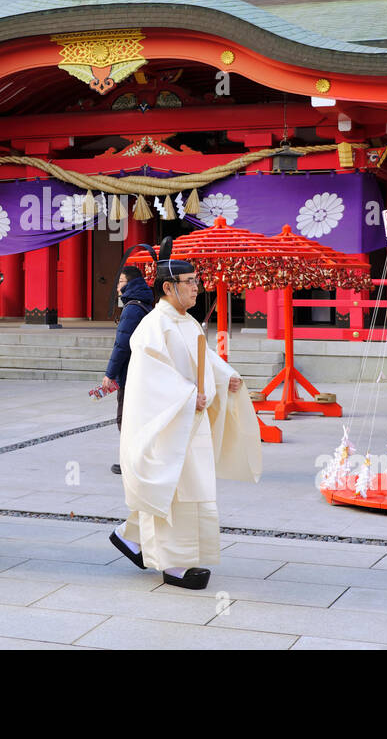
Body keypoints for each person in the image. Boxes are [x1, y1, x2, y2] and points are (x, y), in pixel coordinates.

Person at [109, 241, 262, 590]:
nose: (197, 286)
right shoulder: (153, 325)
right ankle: (174, 564)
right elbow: (150, 378)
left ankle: (130, 537)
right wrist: (188, 395)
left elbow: (204, 359)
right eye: (190, 280)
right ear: (168, 287)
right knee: (173, 489)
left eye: (196, 279)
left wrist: (225, 377)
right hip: (171, 421)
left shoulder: (187, 322)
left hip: (190, 420)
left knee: (184, 487)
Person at [99, 264, 152, 475]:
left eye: (120, 282)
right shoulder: (147, 304)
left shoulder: (131, 309)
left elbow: (121, 344)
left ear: (128, 283)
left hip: (131, 372)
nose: (118, 286)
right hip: (142, 371)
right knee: (137, 416)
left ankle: (131, 461)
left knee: (126, 417)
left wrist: (109, 374)